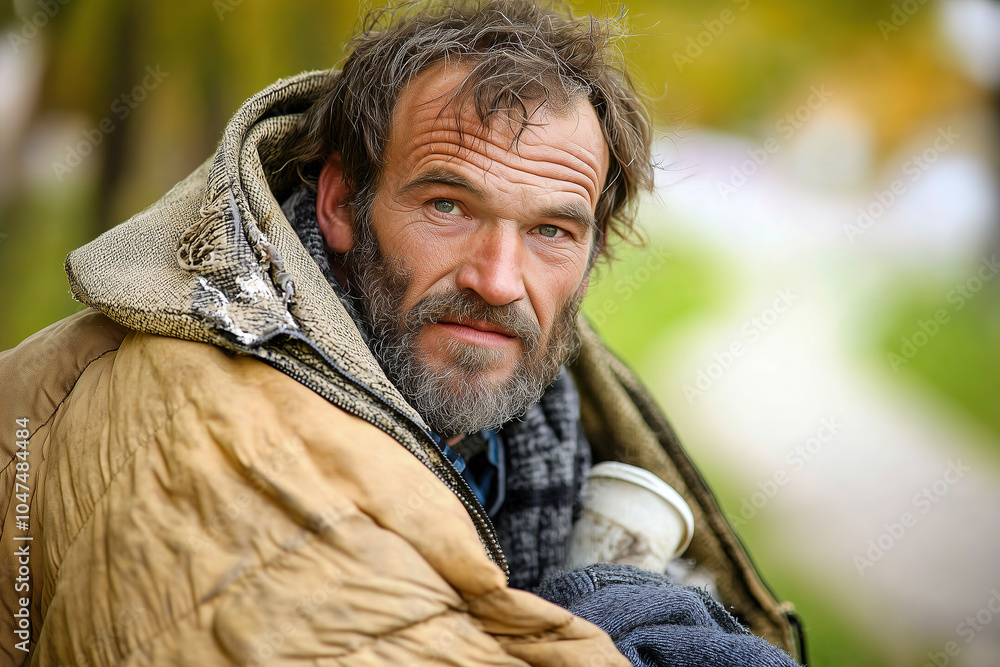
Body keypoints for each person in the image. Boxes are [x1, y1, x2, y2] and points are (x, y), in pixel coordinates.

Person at [1, 1, 804, 664]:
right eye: (448, 206)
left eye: (552, 231)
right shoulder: (215, 422)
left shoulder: (540, 434)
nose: (497, 278)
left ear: (593, 253)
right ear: (341, 204)